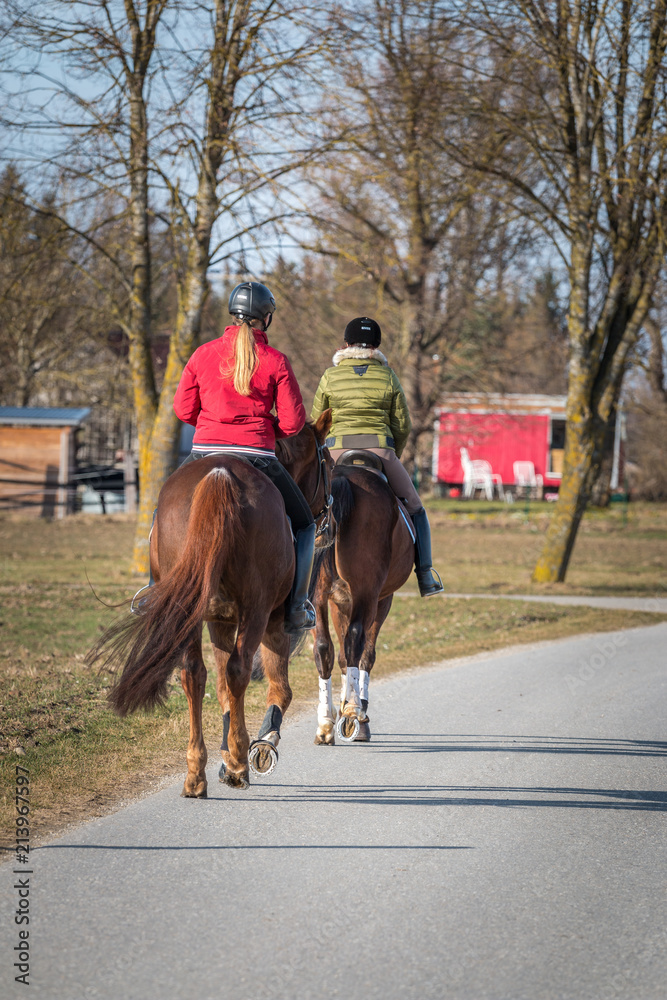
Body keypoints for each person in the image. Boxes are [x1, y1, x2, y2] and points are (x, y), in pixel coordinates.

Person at [172, 280, 316, 633]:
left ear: (232, 314)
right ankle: (297, 606)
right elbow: (296, 421)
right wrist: (267, 431)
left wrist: (210, 425)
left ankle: (151, 590)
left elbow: (182, 409)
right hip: (257, 454)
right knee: (306, 525)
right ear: (265, 320)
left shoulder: (202, 354)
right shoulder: (276, 361)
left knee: (164, 511)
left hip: (204, 449)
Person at [310, 316, 443, 597]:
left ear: (345, 344)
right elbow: (402, 425)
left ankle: (300, 579)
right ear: (376, 346)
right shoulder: (388, 376)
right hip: (379, 451)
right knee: (417, 508)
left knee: (307, 510)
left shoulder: (330, 377)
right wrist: (392, 454)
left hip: (335, 452)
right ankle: (425, 575)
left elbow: (316, 421)